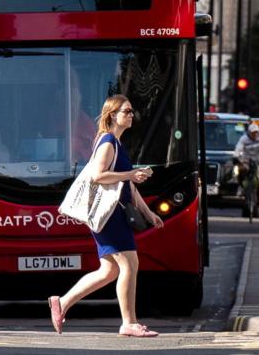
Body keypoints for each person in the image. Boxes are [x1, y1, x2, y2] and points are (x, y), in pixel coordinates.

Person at [48, 95, 164, 338]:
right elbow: (98, 176)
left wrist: (148, 212)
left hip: (115, 213)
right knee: (130, 264)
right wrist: (130, 174)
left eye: (132, 111)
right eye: (127, 111)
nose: (132, 114)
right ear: (113, 115)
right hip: (109, 216)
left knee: (109, 271)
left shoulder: (117, 143)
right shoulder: (108, 142)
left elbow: (128, 186)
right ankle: (129, 322)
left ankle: (63, 301)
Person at [234, 123, 259, 217]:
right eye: (252, 133)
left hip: (258, 163)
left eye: (256, 133)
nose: (254, 135)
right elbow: (238, 148)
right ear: (249, 132)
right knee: (239, 169)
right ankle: (241, 185)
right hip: (246, 162)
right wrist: (236, 156)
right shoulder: (244, 139)